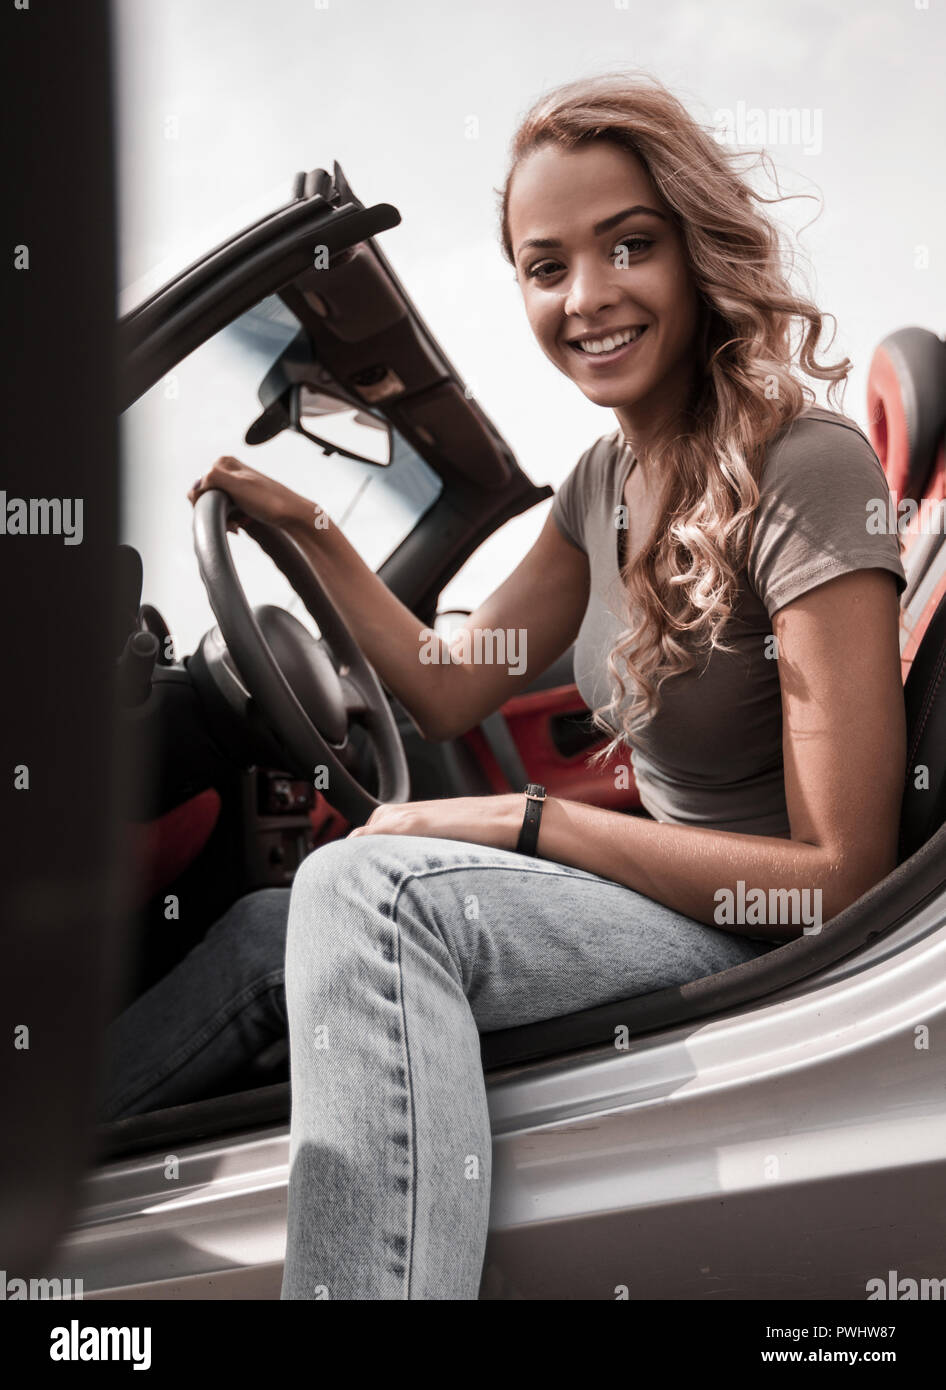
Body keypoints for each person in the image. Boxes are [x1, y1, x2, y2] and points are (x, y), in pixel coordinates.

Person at [100, 71, 907, 1300]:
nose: (586, 297)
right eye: (545, 266)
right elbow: (445, 686)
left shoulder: (808, 469)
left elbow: (834, 877)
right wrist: (313, 524)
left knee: (371, 892)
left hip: (757, 930)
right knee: (282, 925)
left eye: (627, 245)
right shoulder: (607, 480)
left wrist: (533, 824)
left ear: (696, 250)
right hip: (674, 899)